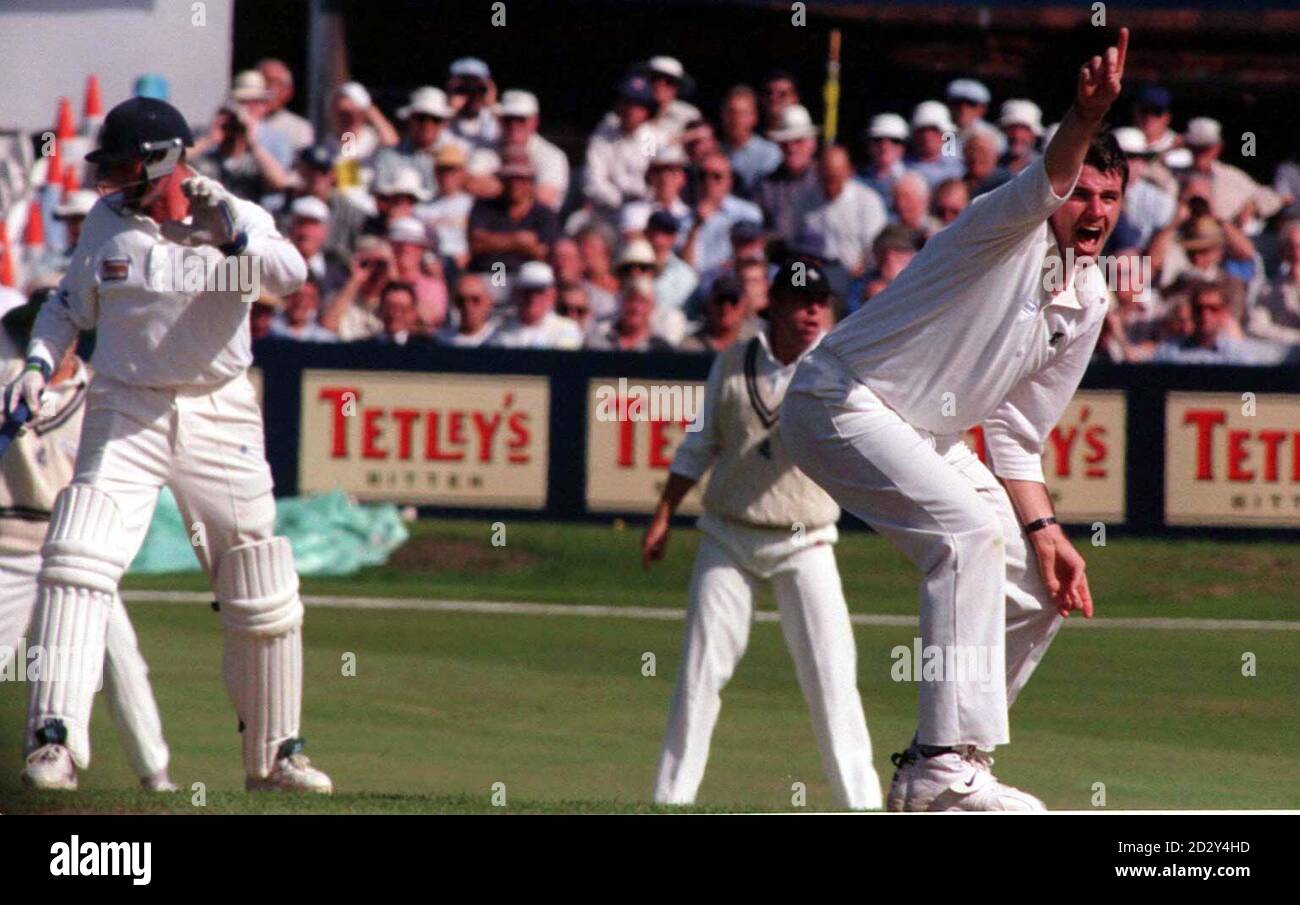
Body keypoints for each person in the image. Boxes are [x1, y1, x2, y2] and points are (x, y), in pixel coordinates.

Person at [780, 30, 1132, 811]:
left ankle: (947, 766)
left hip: (923, 434)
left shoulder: (1091, 297)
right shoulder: (1001, 227)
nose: (1095, 210)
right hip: (840, 396)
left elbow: (1013, 431)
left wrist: (1047, 534)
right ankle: (939, 764)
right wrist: (1083, 114)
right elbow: (1050, 174)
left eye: (1111, 199)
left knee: (1037, 588)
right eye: (1085, 194)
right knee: (965, 536)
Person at [1, 96, 331, 792]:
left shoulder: (234, 217)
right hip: (127, 404)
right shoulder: (107, 224)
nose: (116, 179)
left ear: (166, 159)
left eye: (127, 165)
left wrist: (232, 236)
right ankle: (52, 739)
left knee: (258, 576)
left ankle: (276, 757)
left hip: (219, 409)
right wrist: (35, 362)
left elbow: (289, 278)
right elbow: (68, 305)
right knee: (80, 550)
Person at [644, 254, 881, 810]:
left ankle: (863, 803)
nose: (812, 313)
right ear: (773, 307)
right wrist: (662, 516)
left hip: (807, 540)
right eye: (800, 303)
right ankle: (671, 800)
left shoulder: (838, 368)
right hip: (728, 535)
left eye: (819, 303)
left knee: (831, 679)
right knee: (700, 673)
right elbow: (700, 443)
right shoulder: (732, 361)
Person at [0, 291, 174, 792]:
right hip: (12, 550)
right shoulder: (9, 379)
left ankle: (156, 780)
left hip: (76, 552)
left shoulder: (100, 389)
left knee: (123, 664)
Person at [467, 152, 559, 277]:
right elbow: (476, 244)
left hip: (528, 278)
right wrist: (519, 241)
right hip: (491, 273)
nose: (514, 185)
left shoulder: (544, 214)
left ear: (531, 182)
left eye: (520, 179)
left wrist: (492, 240)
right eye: (509, 179)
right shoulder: (484, 206)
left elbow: (545, 253)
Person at [801, 145, 887, 276]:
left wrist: (858, 270)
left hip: (855, 276)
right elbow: (796, 243)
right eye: (826, 178)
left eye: (835, 178)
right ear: (818, 173)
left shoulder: (868, 201)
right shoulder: (804, 200)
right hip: (815, 275)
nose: (830, 184)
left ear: (849, 172)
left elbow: (875, 249)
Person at [584, 75, 662, 219]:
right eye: (627, 103)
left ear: (646, 111)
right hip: (606, 210)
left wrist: (637, 200)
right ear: (618, 105)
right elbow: (594, 182)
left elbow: (651, 175)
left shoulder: (649, 138)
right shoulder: (603, 135)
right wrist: (620, 199)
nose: (631, 111)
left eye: (638, 105)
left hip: (641, 210)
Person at [371, 87, 461, 197]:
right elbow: (381, 197)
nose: (427, 125)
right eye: (421, 118)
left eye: (435, 119)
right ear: (409, 120)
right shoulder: (387, 157)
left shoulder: (455, 157)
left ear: (444, 123)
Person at [1152, 281, 1266, 364]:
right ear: (1191, 312)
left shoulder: (1238, 355)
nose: (1205, 315)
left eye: (1213, 308)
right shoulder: (1168, 353)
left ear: (1224, 313)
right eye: (1199, 308)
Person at [756, 105, 820, 243]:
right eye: (785, 142)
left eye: (798, 141)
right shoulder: (765, 186)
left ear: (812, 143)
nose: (791, 148)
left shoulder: (826, 180)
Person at [488, 261, 582, 349]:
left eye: (539, 291)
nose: (532, 298)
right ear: (516, 294)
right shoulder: (499, 330)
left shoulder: (566, 329)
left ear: (552, 294)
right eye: (527, 292)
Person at [583, 278, 675, 352]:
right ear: (621, 303)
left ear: (652, 308)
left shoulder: (661, 349)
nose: (636, 307)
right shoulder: (599, 341)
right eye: (631, 300)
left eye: (643, 302)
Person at [720, 85, 781, 196]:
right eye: (731, 112)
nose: (736, 119)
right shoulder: (714, 152)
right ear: (722, 115)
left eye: (742, 113)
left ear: (754, 117)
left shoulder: (769, 153)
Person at [678, 274, 752, 353]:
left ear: (744, 304)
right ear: (709, 304)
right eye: (720, 300)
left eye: (733, 300)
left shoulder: (757, 342)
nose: (726, 308)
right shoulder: (689, 348)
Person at [258, 59, 315, 156]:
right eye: (262, 81)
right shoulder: (239, 120)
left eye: (273, 82)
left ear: (288, 91)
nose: (267, 88)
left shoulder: (299, 128)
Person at [905, 101, 963, 189]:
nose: (927, 136)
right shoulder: (902, 168)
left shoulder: (960, 167)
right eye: (922, 130)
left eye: (934, 130)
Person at [446, 57, 500, 150]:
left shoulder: (496, 118)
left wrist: (492, 104)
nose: (471, 93)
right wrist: (450, 109)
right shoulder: (442, 119)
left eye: (477, 86)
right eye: (464, 87)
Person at [438, 273, 499, 347]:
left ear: (489, 302)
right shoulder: (440, 342)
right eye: (460, 300)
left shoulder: (501, 342)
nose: (467, 306)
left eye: (475, 300)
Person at [859, 113, 910, 202]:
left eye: (894, 141)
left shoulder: (914, 183)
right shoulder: (855, 181)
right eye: (878, 140)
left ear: (903, 146)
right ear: (868, 144)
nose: (884, 147)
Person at [270, 278, 337, 343]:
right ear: (286, 297)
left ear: (316, 302)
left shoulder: (325, 340)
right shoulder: (269, 330)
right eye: (296, 295)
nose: (301, 302)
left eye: (308, 297)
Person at [998, 99, 1044, 175]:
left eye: (1024, 129)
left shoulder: (1042, 168)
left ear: (1034, 134)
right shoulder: (989, 166)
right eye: (1011, 128)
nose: (1017, 135)